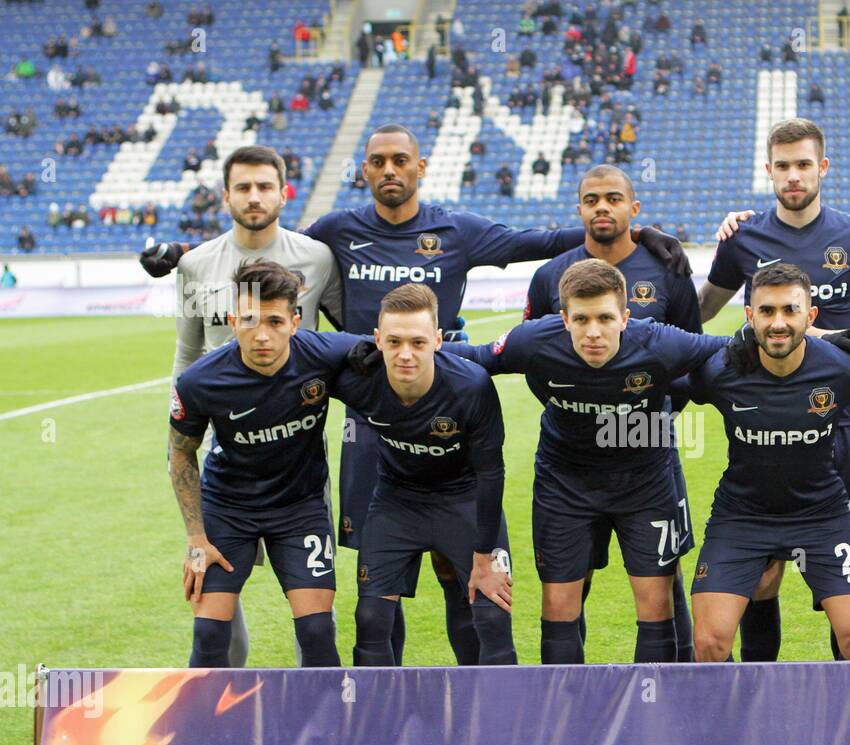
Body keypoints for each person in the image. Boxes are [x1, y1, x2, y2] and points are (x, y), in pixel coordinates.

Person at [138, 124, 688, 665]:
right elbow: (264, 236)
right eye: (378, 162)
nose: (390, 171)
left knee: (462, 583)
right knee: (378, 591)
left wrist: (637, 238)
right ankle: (382, 702)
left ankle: (478, 696)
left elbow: (537, 241)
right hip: (370, 421)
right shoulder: (334, 232)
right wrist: (189, 252)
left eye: (401, 160)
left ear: (420, 167)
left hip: (442, 397)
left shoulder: (456, 231)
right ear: (365, 171)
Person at [698, 118, 850, 662]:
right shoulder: (743, 237)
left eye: (804, 164)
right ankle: (758, 692)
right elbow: (697, 312)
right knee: (763, 577)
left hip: (840, 423)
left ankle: (846, 703)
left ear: (823, 167)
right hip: (769, 413)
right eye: (783, 166)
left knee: (844, 585)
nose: (794, 176)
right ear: (768, 171)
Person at [445, 259, 729, 664]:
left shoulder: (660, 342)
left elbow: (738, 347)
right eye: (581, 319)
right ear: (563, 318)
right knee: (559, 607)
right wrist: (406, 347)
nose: (593, 331)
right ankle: (567, 718)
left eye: (604, 318)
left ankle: (653, 712)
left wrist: (834, 340)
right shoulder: (534, 340)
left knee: (655, 606)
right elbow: (474, 356)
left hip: (644, 483)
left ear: (625, 317)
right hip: (564, 484)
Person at [684, 264, 850, 662]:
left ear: (810, 316)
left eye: (789, 310)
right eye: (766, 311)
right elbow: (664, 383)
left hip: (823, 517)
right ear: (749, 315)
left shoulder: (840, 367)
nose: (778, 323)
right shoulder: (723, 369)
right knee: (710, 644)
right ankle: (732, 718)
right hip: (741, 516)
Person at [168, 145, 342, 667]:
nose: (254, 196)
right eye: (242, 187)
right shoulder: (196, 265)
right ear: (225, 196)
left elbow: (346, 336)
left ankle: (319, 720)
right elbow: (187, 352)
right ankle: (218, 715)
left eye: (265, 186)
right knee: (217, 618)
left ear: (283, 192)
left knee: (315, 620)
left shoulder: (316, 257)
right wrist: (186, 415)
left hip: (301, 453)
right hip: (230, 455)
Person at [523, 165, 702, 659]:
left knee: (664, 578)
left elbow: (690, 357)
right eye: (593, 199)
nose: (603, 207)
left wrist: (652, 410)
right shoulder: (549, 276)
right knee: (566, 585)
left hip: (647, 452)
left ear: (633, 208)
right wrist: (584, 407)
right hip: (570, 459)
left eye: (614, 198)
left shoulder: (667, 268)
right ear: (579, 208)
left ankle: (679, 682)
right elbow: (537, 359)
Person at [334, 284, 515, 666]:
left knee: (492, 615)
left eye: (417, 342)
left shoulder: (471, 386)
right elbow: (303, 349)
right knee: (370, 618)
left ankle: (497, 720)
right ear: (377, 340)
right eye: (394, 342)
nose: (405, 354)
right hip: (396, 500)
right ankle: (377, 720)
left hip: (463, 498)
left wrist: (484, 557)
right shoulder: (357, 380)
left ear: (437, 340)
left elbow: (491, 473)